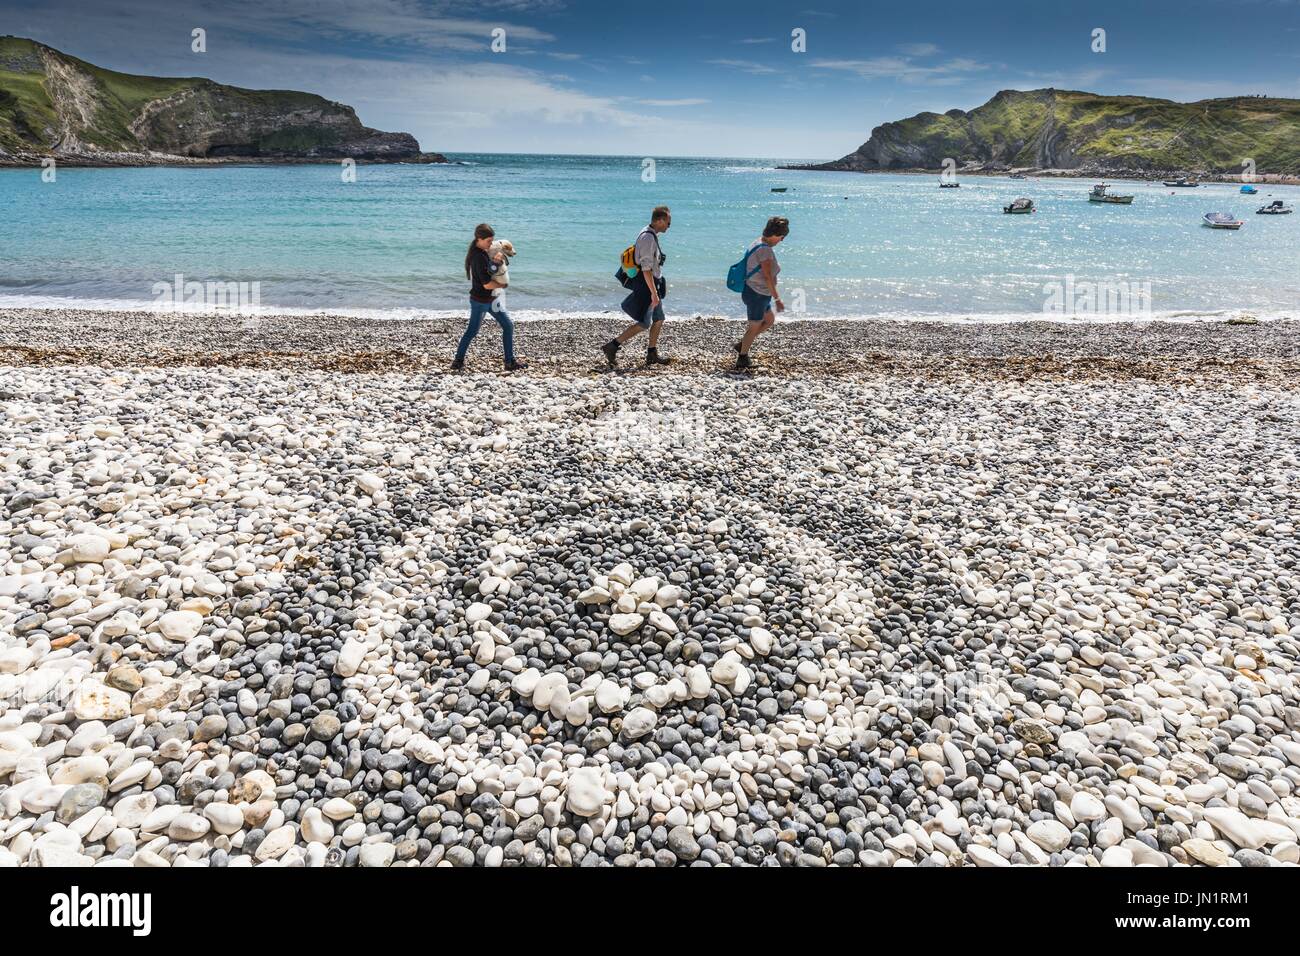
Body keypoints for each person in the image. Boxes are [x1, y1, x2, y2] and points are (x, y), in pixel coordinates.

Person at [602, 206, 672, 368]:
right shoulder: (648, 238)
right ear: (660, 220)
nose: (669, 226)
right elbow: (646, 269)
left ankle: (652, 354)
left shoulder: (650, 233)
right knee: (644, 322)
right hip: (648, 286)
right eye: (668, 223)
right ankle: (612, 345)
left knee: (659, 318)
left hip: (653, 283)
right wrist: (653, 293)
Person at [452, 223, 527, 371]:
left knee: (508, 325)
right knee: (472, 332)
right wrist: (503, 285)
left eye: (492, 241)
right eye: (488, 241)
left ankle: (509, 361)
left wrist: (498, 261)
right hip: (480, 301)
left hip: (491, 300)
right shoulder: (477, 257)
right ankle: (458, 361)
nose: (491, 244)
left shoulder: (484, 252)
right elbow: (487, 284)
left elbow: (490, 269)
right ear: (479, 239)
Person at [734, 216, 789, 371]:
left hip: (758, 292)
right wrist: (778, 298)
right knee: (754, 325)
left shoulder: (758, 241)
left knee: (769, 319)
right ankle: (742, 358)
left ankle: (743, 344)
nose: (781, 241)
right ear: (776, 235)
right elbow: (768, 277)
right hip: (756, 293)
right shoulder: (764, 250)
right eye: (782, 237)